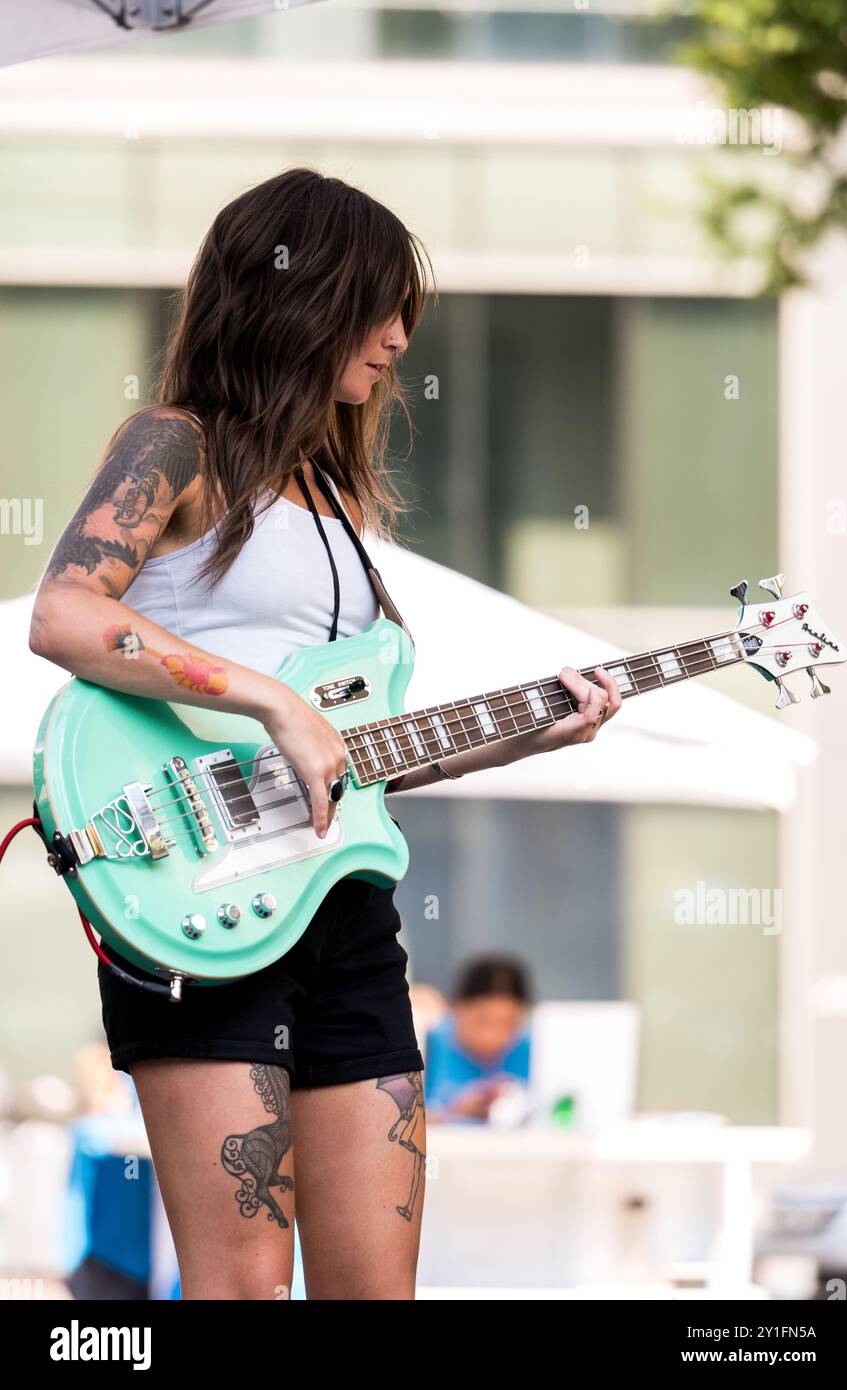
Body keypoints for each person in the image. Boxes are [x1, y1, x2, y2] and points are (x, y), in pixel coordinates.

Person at [29, 168, 622, 1300]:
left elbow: (357, 755)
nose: (399, 338)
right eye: (377, 306)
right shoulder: (176, 444)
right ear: (295, 300)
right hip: (197, 901)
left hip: (345, 912)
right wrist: (273, 699)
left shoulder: (340, 501)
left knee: (372, 1291)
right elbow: (64, 615)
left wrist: (527, 734)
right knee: (245, 1286)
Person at [424, 957, 532, 1123]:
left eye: (508, 1024)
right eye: (482, 1021)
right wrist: (456, 1111)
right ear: (458, 1007)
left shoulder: (532, 1049)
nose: (493, 1036)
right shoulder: (428, 1044)